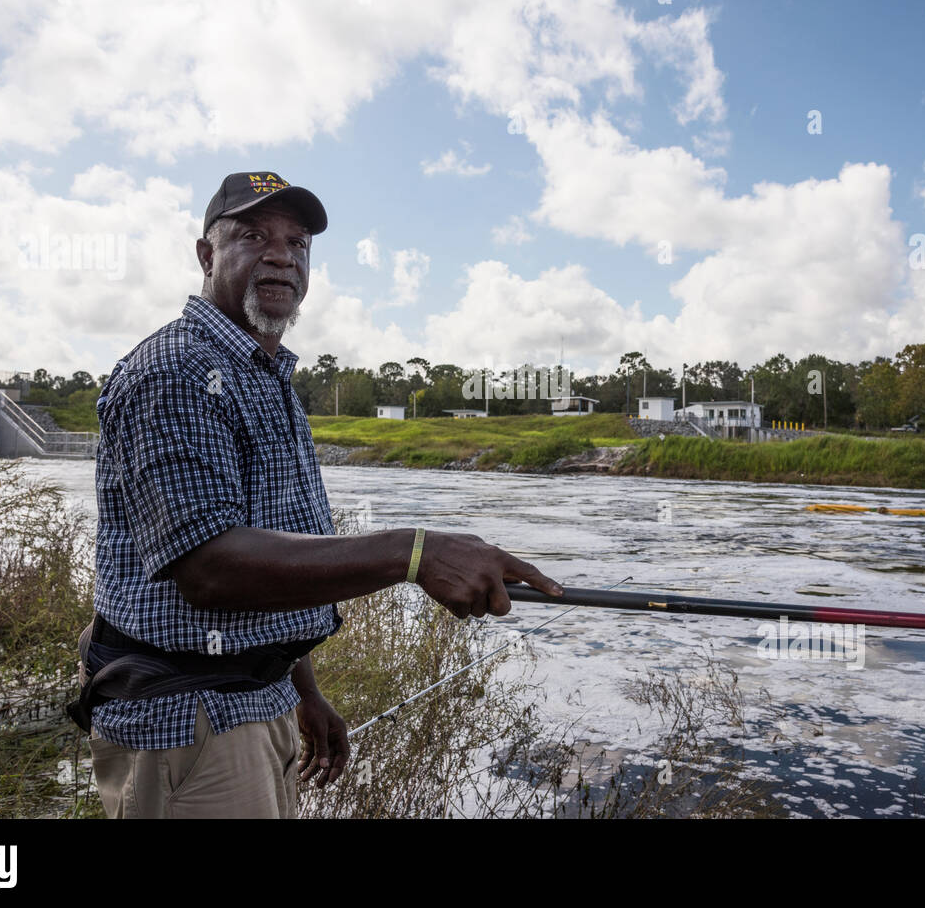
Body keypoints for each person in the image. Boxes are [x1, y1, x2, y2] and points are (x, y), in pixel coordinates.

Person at [77, 170, 562, 818]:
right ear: (205, 254)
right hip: (190, 720)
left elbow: (273, 555)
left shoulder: (267, 375)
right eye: (253, 235)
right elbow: (210, 567)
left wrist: (302, 687)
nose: (281, 254)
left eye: (297, 242)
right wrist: (414, 553)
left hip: (255, 702)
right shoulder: (177, 371)